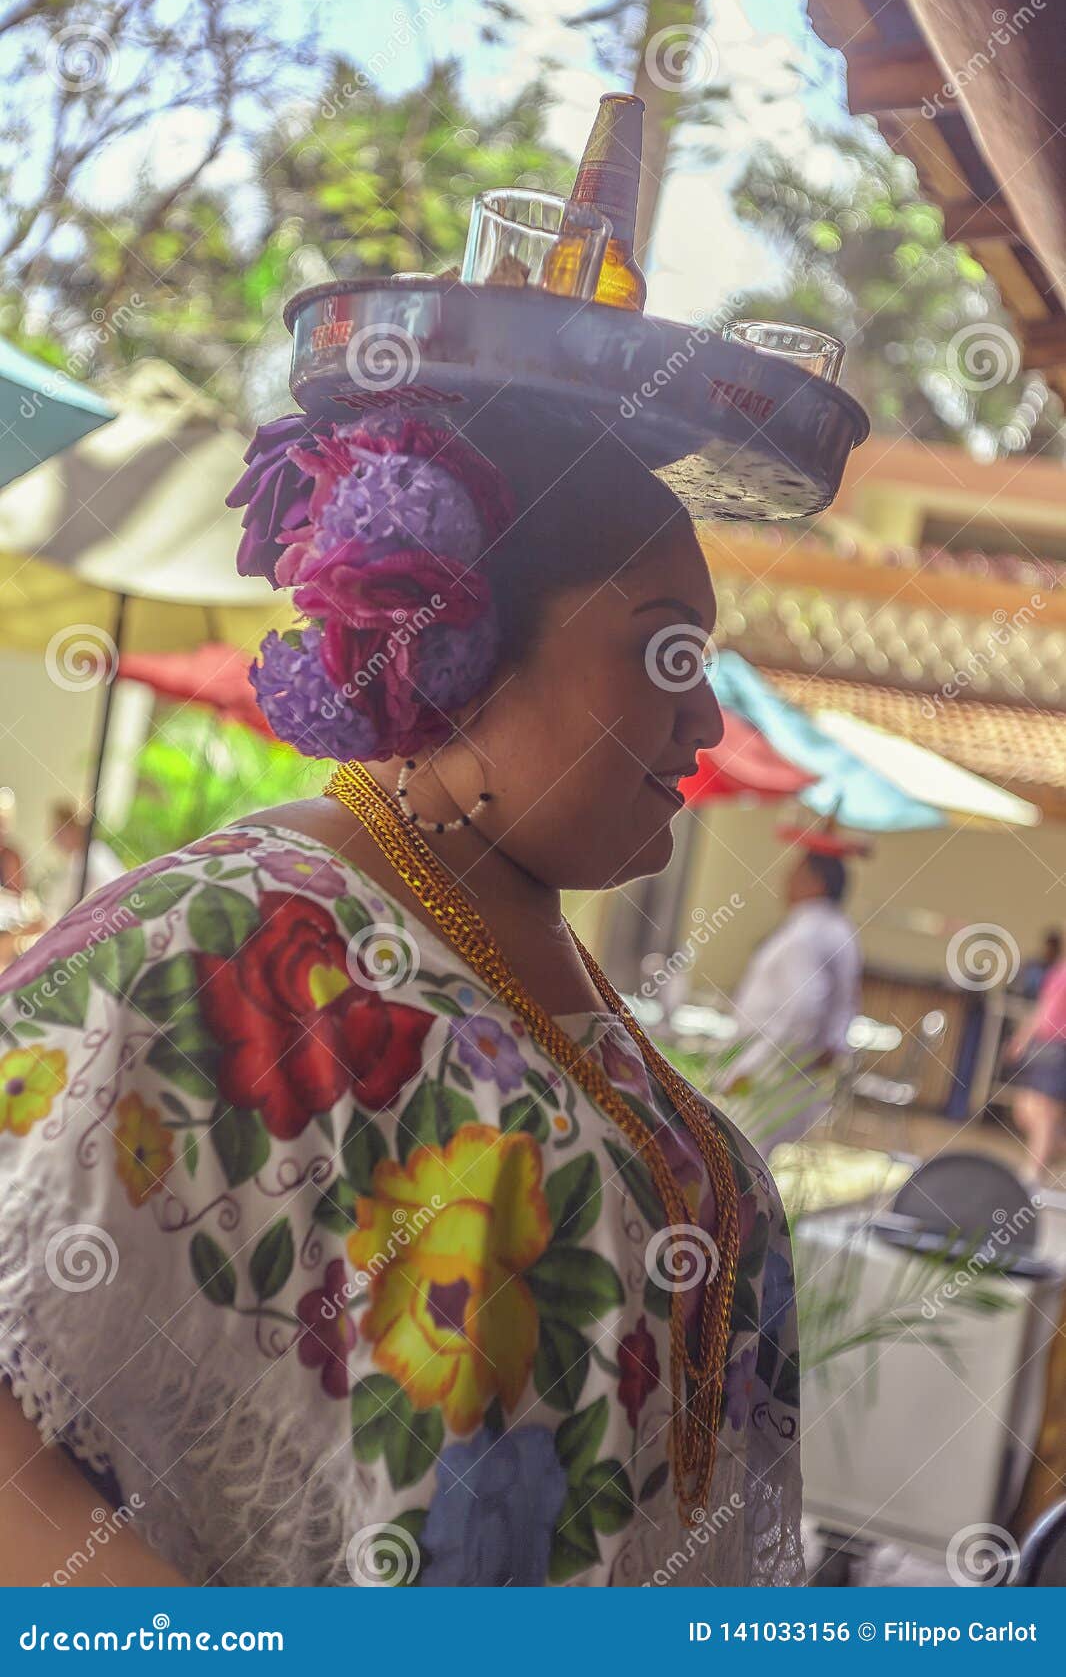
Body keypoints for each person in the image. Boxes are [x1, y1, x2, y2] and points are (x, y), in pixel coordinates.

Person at [0, 418, 803, 1588]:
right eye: (662, 651)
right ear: (459, 642)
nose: (705, 722)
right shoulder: (224, 924)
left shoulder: (535, 958)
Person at [725, 840, 863, 1157]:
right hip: (797, 1071)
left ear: (815, 882)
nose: (784, 882)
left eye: (793, 873)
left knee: (744, 1160)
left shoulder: (806, 935)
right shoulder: (839, 930)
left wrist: (750, 1069)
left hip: (774, 1075)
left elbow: (802, 1011)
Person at [1003, 949, 1066, 1181]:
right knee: (1024, 1110)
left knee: (1044, 1112)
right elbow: (1043, 1005)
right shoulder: (1059, 969)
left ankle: (1032, 1173)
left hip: (1060, 1048)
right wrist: (1022, 1037)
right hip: (1041, 1043)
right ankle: (1050, 1151)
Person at [33, 800, 127, 924]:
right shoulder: (91, 853)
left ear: (74, 829)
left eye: (60, 831)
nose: (55, 838)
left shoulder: (90, 859)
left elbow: (62, 908)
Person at [1014, 928, 1063, 1002]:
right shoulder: (1032, 965)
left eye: (1053, 948)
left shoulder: (1060, 972)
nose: (1050, 951)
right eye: (1049, 947)